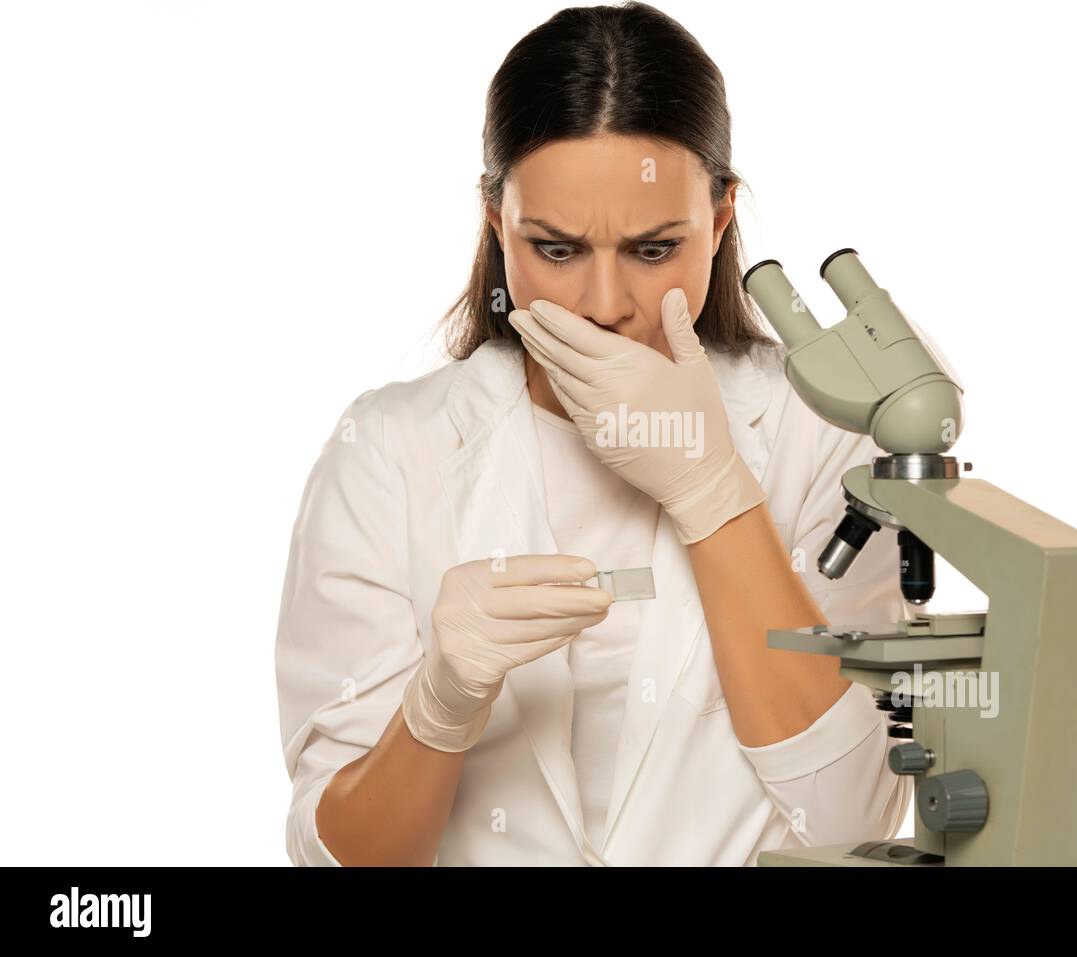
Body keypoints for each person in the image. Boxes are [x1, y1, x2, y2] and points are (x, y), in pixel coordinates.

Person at [274, 1, 916, 867]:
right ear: (497, 221)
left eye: (654, 250)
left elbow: (852, 817)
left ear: (721, 219)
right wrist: (439, 705)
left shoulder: (819, 431)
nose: (605, 304)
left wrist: (714, 492)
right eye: (557, 248)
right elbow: (343, 857)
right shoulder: (389, 453)